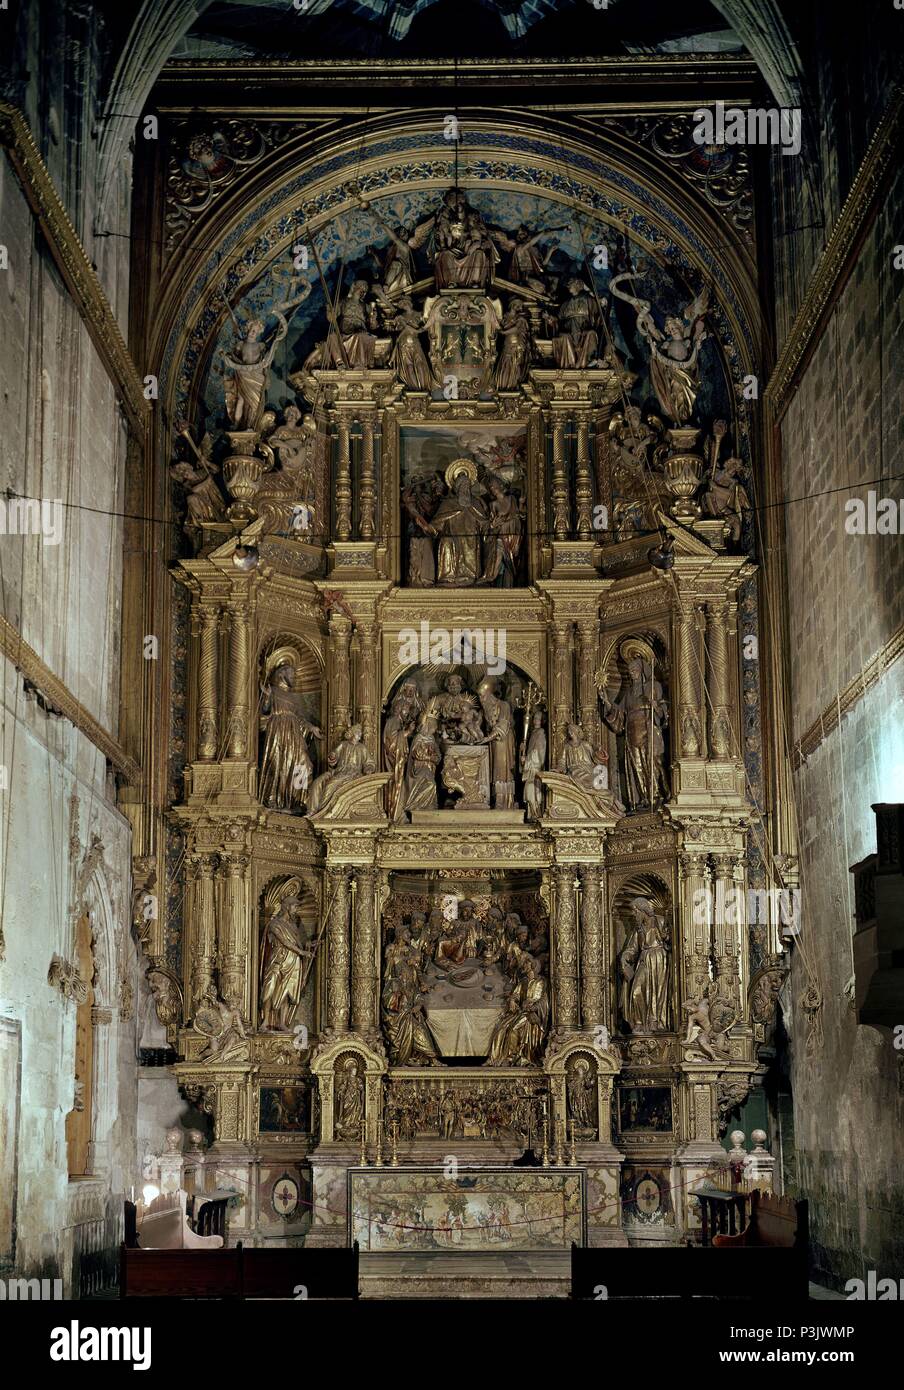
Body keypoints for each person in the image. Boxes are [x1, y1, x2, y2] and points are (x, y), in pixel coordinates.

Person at [306, 723, 373, 815]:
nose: (360, 734)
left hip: (355, 774)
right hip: (341, 772)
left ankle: (323, 811)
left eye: (360, 732)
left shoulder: (362, 748)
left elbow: (369, 762)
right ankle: (321, 810)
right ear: (352, 733)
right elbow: (334, 756)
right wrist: (333, 756)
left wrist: (369, 769)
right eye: (358, 732)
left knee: (330, 785)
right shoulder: (343, 745)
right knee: (325, 785)